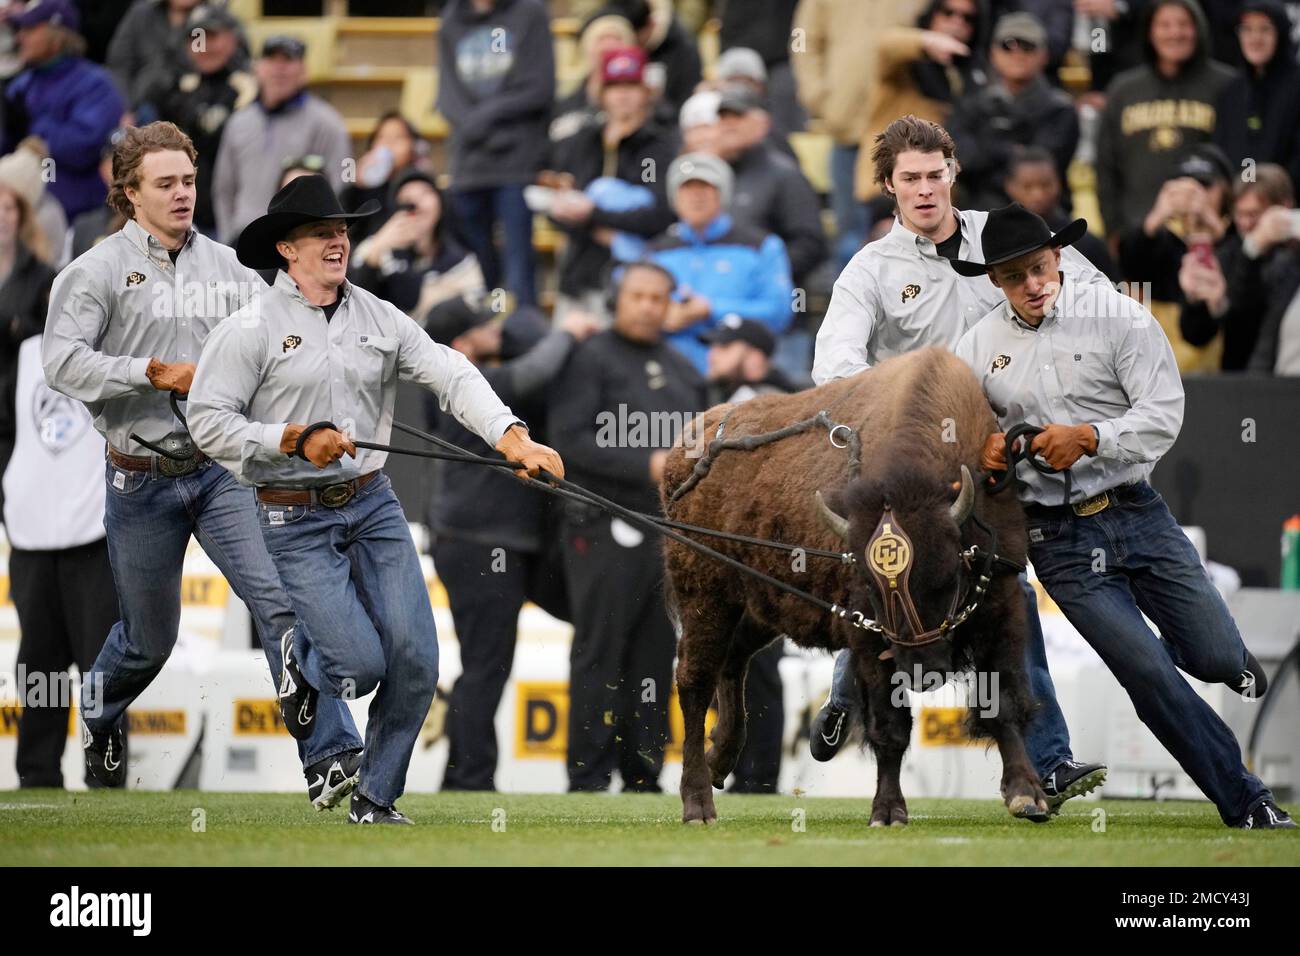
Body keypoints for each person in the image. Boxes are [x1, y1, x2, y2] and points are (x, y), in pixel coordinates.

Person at [186, 173, 563, 824]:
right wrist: (294, 439)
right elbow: (208, 422)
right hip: (291, 511)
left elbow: (450, 373)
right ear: (286, 249)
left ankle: (375, 797)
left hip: (372, 502)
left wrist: (511, 435)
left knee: (418, 659)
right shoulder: (248, 328)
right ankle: (302, 662)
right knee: (357, 666)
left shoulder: (381, 318)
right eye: (319, 233)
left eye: (341, 231)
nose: (337, 242)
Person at [41, 122, 364, 809]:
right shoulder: (93, 272)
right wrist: (153, 373)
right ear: (129, 193)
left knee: (280, 603)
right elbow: (61, 363)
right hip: (139, 474)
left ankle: (332, 758)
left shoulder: (231, 269)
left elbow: (277, 348)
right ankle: (99, 710)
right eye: (165, 184)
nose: (182, 193)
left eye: (188, 180)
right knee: (148, 642)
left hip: (221, 472)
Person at [952, 202, 1294, 829]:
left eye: (1038, 268)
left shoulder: (1119, 317)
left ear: (1057, 257)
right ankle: (1247, 799)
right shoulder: (974, 350)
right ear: (993, 282)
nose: (1030, 285)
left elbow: (1163, 413)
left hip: (1139, 513)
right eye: (1012, 277)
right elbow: (965, 454)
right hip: (1056, 539)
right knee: (1147, 672)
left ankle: (1225, 659)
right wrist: (989, 460)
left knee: (1214, 657)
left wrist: (1090, 437)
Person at [810, 116, 1107, 812]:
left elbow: (1088, 293)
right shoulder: (871, 268)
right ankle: (850, 687)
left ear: (953, 172)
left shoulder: (1003, 238)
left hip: (995, 458)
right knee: (915, 586)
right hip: (912, 467)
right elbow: (834, 365)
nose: (923, 188)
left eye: (934, 173)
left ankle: (1044, 760)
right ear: (888, 187)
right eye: (908, 178)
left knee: (1009, 592)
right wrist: (885, 418)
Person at [426, 296, 599, 790]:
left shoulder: (475, 376)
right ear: (460, 347)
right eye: (482, 328)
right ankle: (468, 779)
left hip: (494, 542)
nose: (494, 330)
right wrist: (569, 330)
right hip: (479, 543)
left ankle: (469, 774)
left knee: (488, 663)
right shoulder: (463, 382)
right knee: (486, 664)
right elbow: (531, 373)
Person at [548, 260, 707, 792]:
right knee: (600, 649)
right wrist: (647, 464)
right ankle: (587, 777)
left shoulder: (685, 369)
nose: (645, 306)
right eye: (636, 295)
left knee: (655, 655)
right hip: (598, 527)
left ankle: (644, 774)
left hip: (666, 535)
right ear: (619, 298)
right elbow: (566, 440)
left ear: (669, 305)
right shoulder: (589, 359)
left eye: (656, 298)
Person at [7, 334, 119, 789]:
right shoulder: (21, 353)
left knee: (103, 668)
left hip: (95, 535)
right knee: (38, 666)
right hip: (30, 535)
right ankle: (36, 773)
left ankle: (105, 773)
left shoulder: (111, 351)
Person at [698, 314, 797, 794]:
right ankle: (757, 773)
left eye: (724, 345)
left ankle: (756, 776)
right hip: (771, 555)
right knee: (754, 665)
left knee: (748, 664)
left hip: (755, 556)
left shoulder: (753, 405)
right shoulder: (791, 398)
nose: (712, 353)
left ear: (754, 357)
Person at [545, 45, 678, 321]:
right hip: (578, 273)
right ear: (602, 93)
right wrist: (594, 225)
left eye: (631, 85)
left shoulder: (657, 147)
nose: (623, 95)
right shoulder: (584, 141)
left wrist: (592, 215)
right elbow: (559, 211)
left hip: (631, 277)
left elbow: (658, 215)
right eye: (615, 86)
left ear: (645, 91)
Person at [437, 0, 555, 308]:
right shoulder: (451, 18)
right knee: (474, 269)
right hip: (469, 164)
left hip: (517, 163)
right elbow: (447, 97)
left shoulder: (530, 12)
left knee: (519, 270)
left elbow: (538, 88)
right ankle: (478, 340)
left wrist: (481, 122)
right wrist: (479, 127)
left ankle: (524, 339)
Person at [793, 0, 925, 268]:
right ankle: (848, 307)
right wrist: (818, 96)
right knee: (849, 241)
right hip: (846, 130)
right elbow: (804, 40)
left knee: (910, 237)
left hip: (902, 135)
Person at [1094, 0, 1237, 240]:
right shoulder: (1123, 89)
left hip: (1207, 233)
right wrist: (1113, 230)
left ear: (1199, 29)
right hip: (1141, 234)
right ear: (1150, 32)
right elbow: (1106, 167)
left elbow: (1239, 158)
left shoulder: (1227, 85)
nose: (1175, 33)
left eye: (1184, 24)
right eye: (1164, 25)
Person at [850, 0, 989, 237]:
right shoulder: (905, 66)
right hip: (887, 193)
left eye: (967, 18)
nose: (957, 22)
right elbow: (885, 45)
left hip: (941, 199)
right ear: (932, 15)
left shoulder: (971, 77)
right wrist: (926, 41)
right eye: (948, 13)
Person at [649, 152, 793, 373]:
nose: (696, 196)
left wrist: (710, 308)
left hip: (736, 376)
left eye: (706, 188)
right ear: (674, 198)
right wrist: (661, 316)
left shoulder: (761, 246)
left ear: (722, 195)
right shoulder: (656, 252)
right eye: (687, 188)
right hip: (667, 374)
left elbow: (779, 313)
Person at [212, 34, 351, 244]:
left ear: (303, 70)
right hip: (242, 239)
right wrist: (227, 238)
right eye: (271, 60)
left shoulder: (328, 123)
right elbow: (224, 188)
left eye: (287, 60)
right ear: (257, 68)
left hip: (297, 242)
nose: (279, 68)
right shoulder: (239, 122)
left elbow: (343, 184)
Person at [1, 0, 125, 221]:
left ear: (55, 36)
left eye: (29, 30)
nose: (21, 37)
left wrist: (34, 128)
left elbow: (83, 148)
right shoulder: (22, 84)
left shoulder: (95, 84)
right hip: (18, 213)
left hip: (77, 215)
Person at [946, 13, 1079, 212]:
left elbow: (1038, 169)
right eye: (1008, 45)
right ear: (993, 53)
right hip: (977, 215)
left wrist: (988, 148)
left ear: (1045, 56)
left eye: (1028, 45)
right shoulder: (971, 105)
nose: (1017, 53)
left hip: (1042, 218)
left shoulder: (1060, 109)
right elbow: (957, 161)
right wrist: (1008, 151)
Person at [141, 3, 255, 236]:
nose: (204, 46)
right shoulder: (173, 90)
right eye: (196, 38)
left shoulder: (247, 89)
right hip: (179, 217)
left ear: (232, 40)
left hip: (230, 218)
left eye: (212, 37)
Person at [1179, 164, 1295, 370]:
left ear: (1283, 208)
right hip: (1239, 382)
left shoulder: (1293, 255)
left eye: (1254, 214)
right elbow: (1195, 335)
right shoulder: (1229, 253)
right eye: (1240, 215)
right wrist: (1196, 301)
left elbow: (1263, 315)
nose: (1246, 224)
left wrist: (1253, 250)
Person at [712, 85, 826, 287]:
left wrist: (761, 275)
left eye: (737, 116)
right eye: (722, 117)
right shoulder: (710, 175)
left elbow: (810, 244)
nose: (728, 125)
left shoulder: (786, 176)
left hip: (766, 296)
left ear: (762, 123)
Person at [349, 168, 485, 318]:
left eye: (424, 193)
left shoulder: (462, 261)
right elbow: (348, 303)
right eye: (407, 199)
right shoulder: (374, 247)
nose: (416, 203)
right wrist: (377, 251)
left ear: (440, 203)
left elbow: (476, 311)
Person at [0, 160, 55, 507]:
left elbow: (51, 338)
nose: (2, 216)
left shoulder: (41, 274)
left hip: (18, 403)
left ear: (20, 215)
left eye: (8, 208)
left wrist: (17, 327)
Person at [1213, 1, 1300, 190]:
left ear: (1281, 33)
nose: (1255, 38)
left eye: (1265, 29)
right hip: (1238, 207)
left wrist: (1264, 195)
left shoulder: (1295, 86)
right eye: (1247, 30)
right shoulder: (1231, 92)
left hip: (1286, 207)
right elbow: (1226, 154)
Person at [1003, 147, 1119, 281]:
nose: (1038, 195)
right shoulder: (999, 244)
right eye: (1028, 187)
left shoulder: (1086, 243)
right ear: (1009, 187)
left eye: (1045, 185)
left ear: (1059, 183)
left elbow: (1115, 291)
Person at [340, 112, 428, 246]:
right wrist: (357, 185)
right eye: (381, 137)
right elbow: (345, 225)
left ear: (414, 147)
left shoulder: (421, 185)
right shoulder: (363, 189)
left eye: (398, 137)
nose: (388, 144)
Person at [548, 9, 636, 142]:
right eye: (601, 39)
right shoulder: (565, 105)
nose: (609, 45)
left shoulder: (646, 104)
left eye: (617, 38)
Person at [107, 0, 204, 113]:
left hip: (189, 108)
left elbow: (209, 66)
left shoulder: (211, 21)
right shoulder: (141, 14)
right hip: (139, 104)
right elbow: (119, 66)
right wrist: (125, 108)